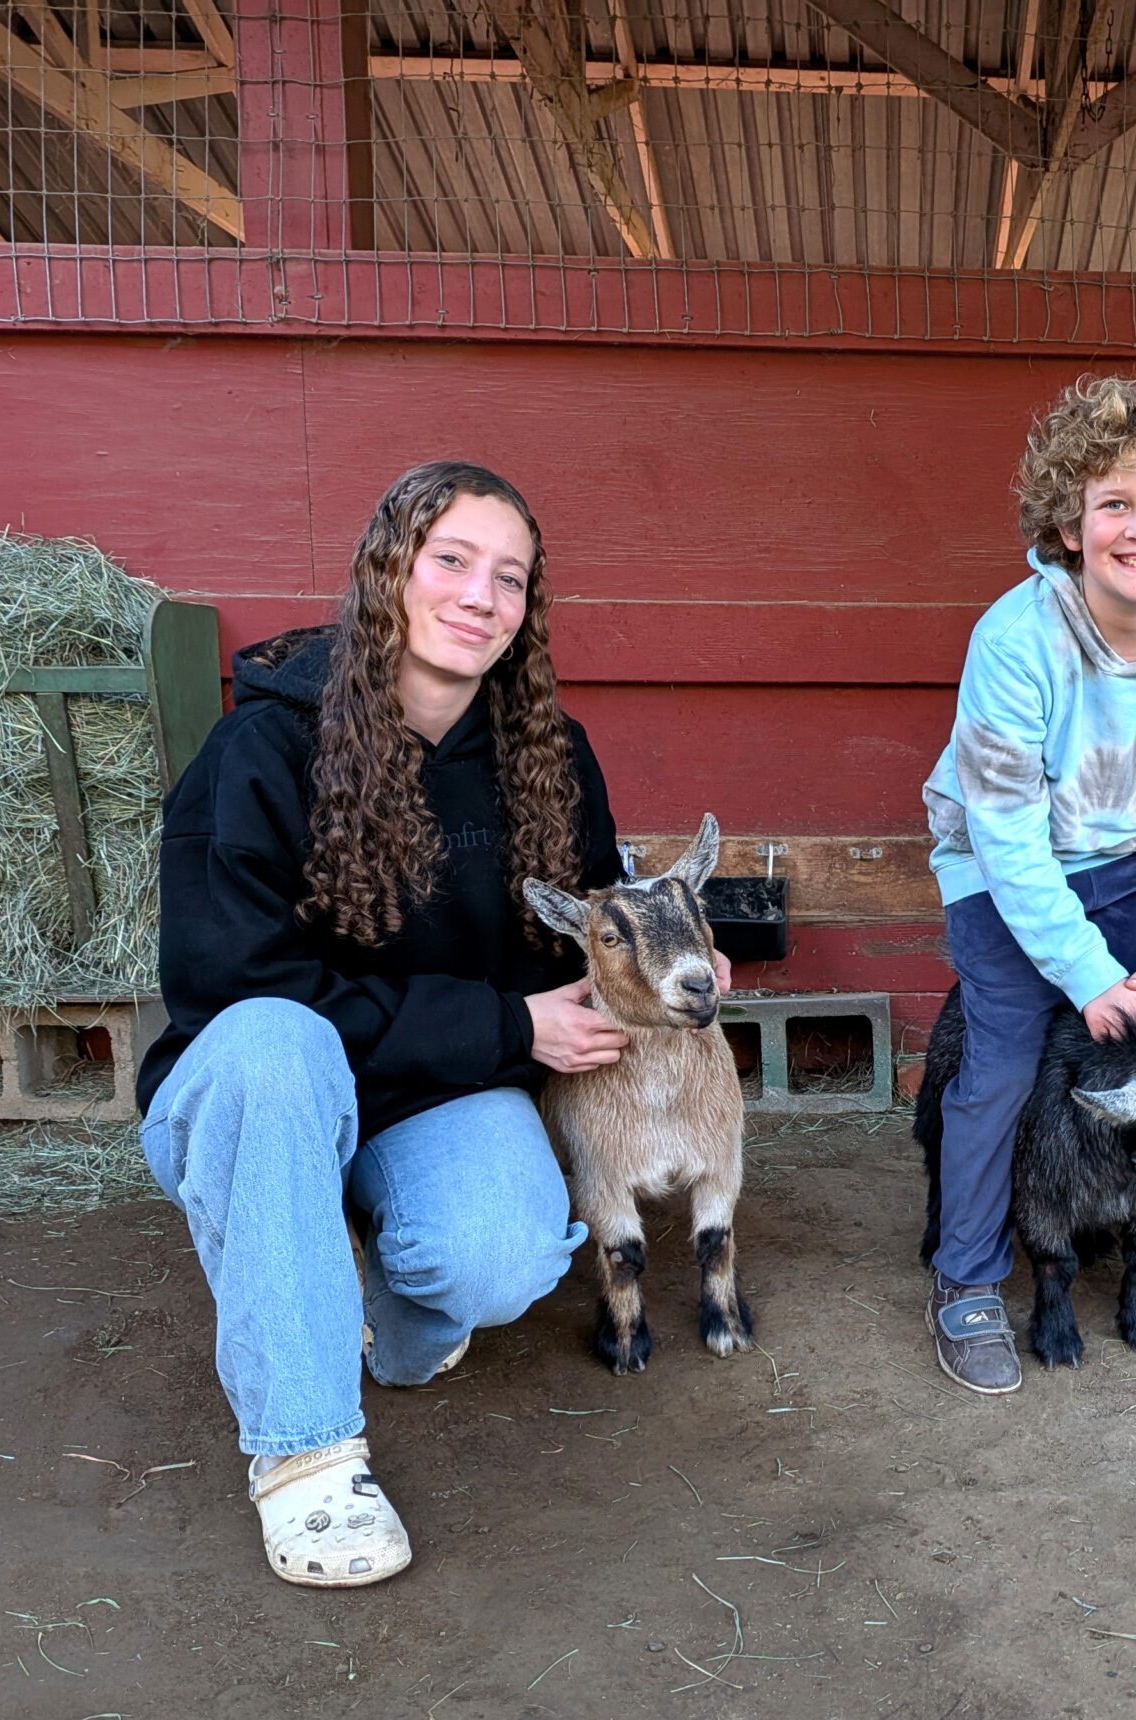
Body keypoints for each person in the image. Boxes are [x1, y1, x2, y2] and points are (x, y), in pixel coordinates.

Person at [136, 460, 723, 1588]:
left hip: (431, 1089)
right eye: (451, 560)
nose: (479, 596)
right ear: (388, 573)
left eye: (510, 577)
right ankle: (305, 1452)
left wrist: (668, 965)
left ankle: (372, 1316)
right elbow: (235, 991)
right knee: (273, 1043)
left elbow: (596, 928)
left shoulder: (546, 756)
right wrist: (509, 1028)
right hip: (262, 1091)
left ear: (527, 610)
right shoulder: (259, 751)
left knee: (499, 1254)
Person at [919, 371, 1136, 1394]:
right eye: (1113, 502)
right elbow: (1008, 834)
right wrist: (1082, 973)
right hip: (1000, 868)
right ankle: (968, 1273)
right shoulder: (1016, 641)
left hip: (1131, 865)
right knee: (1005, 1065)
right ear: (1068, 523)